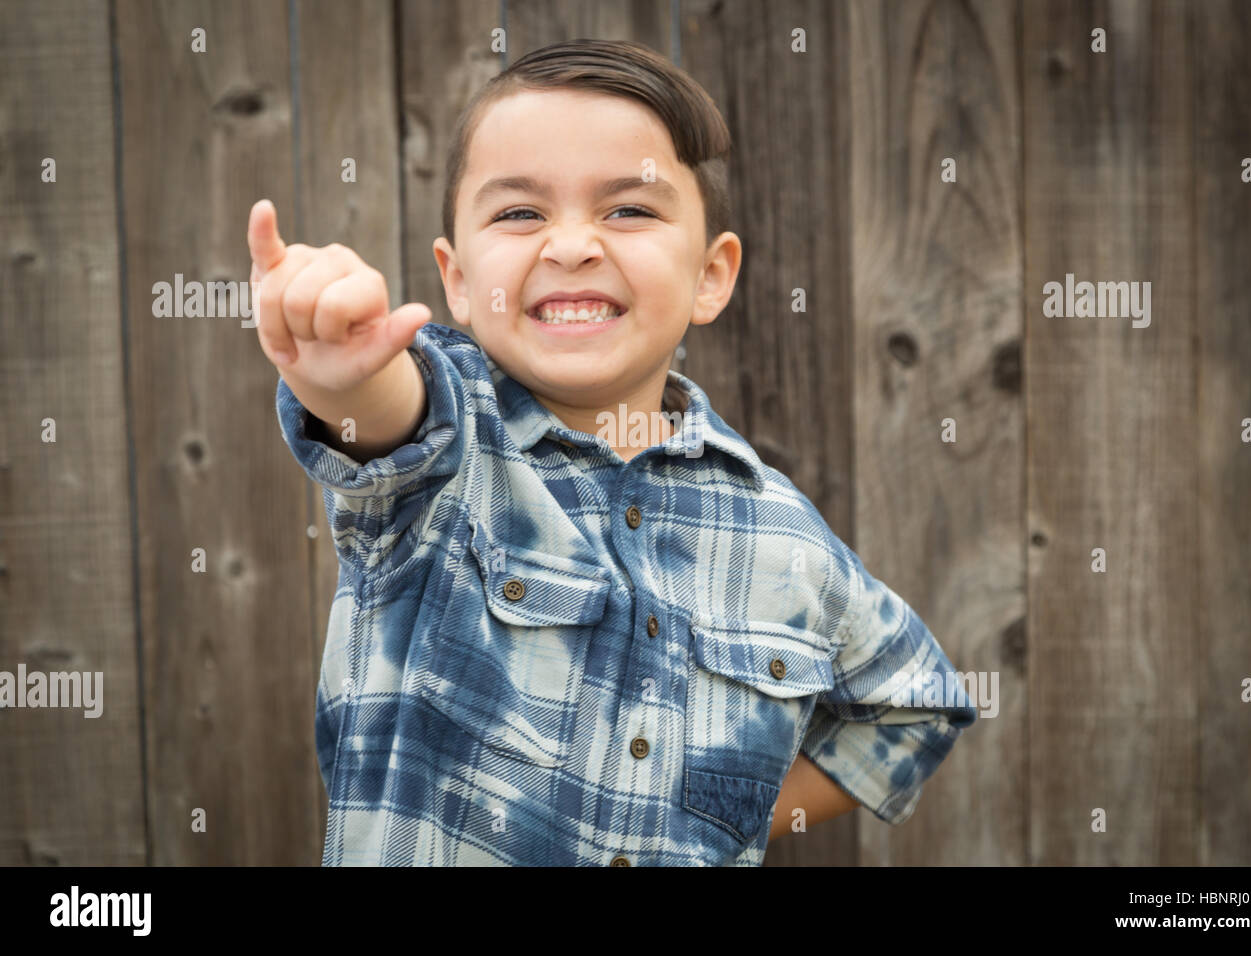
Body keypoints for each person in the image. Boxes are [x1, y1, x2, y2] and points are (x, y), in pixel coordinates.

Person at [248, 38, 976, 866]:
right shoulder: (450, 447)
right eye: (519, 212)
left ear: (711, 274)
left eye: (628, 209)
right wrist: (342, 379)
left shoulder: (781, 535)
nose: (570, 245)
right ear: (457, 280)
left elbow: (917, 703)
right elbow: (385, 421)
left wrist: (711, 817)